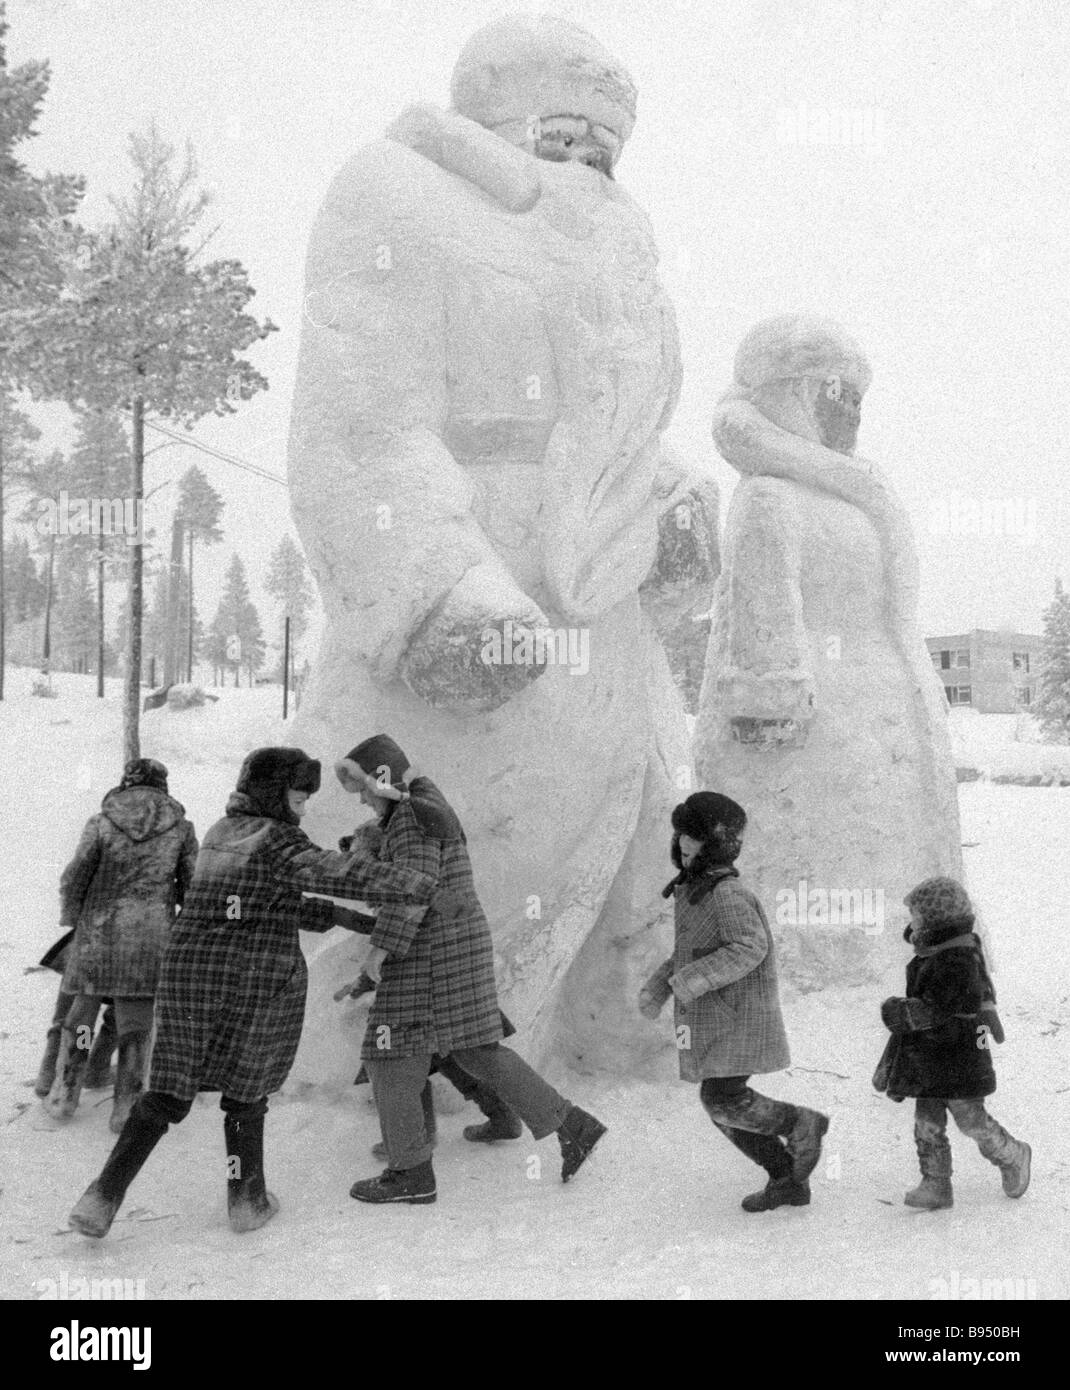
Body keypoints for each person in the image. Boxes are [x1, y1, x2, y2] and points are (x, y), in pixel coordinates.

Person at [68, 748, 437, 1240]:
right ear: (274, 793)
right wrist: (419, 885)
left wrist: (338, 917)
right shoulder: (276, 838)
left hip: (188, 978)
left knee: (165, 1094)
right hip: (249, 982)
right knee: (246, 1093)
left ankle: (100, 1197)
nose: (302, 810)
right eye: (298, 799)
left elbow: (257, 899)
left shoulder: (224, 833)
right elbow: (336, 870)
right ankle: (246, 1200)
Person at [336, 735, 607, 1205]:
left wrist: (377, 953)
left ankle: (411, 1173)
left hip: (430, 955)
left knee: (392, 1057)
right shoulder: (423, 807)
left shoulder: (409, 820)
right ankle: (573, 1126)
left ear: (381, 780)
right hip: (455, 946)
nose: (360, 800)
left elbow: (411, 891)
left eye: (362, 788)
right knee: (477, 1050)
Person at [639, 792, 829, 1213]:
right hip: (718, 1014)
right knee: (721, 1102)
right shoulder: (696, 888)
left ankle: (800, 1126)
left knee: (722, 1099)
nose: (684, 846)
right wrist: (661, 986)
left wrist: (688, 981)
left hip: (739, 1014)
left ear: (718, 845)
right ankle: (787, 1179)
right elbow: (689, 950)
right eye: (681, 838)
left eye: (695, 840)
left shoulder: (726, 894)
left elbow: (749, 946)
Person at [45, 759, 198, 1132]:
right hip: (152, 935)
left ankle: (66, 1094)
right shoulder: (181, 828)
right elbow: (192, 885)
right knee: (137, 1020)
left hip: (99, 930)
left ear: (125, 784)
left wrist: (72, 915)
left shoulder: (101, 822)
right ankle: (126, 1108)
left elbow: (76, 875)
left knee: (84, 1010)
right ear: (163, 787)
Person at [875, 876, 1031, 1210]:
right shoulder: (933, 952)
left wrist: (901, 1013)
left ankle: (1012, 1153)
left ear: (936, 919)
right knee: (927, 1121)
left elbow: (945, 1007)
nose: (912, 922)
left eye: (917, 916)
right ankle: (935, 1184)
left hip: (959, 1053)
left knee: (969, 1117)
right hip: (931, 1054)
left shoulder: (955, 958)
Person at [33, 931, 116, 1099]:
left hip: (90, 933)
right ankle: (94, 1067)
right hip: (136, 937)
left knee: (78, 1012)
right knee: (126, 1006)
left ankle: (51, 1070)